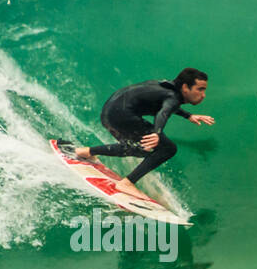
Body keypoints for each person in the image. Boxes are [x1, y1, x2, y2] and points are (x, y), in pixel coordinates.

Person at [64, 68, 215, 199]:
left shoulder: (165, 86)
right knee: (167, 148)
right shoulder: (173, 98)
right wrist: (157, 133)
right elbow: (164, 112)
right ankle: (127, 183)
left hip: (110, 112)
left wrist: (188, 115)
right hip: (122, 116)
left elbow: (167, 104)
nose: (203, 95)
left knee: (141, 147)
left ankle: (86, 152)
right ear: (185, 88)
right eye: (200, 89)